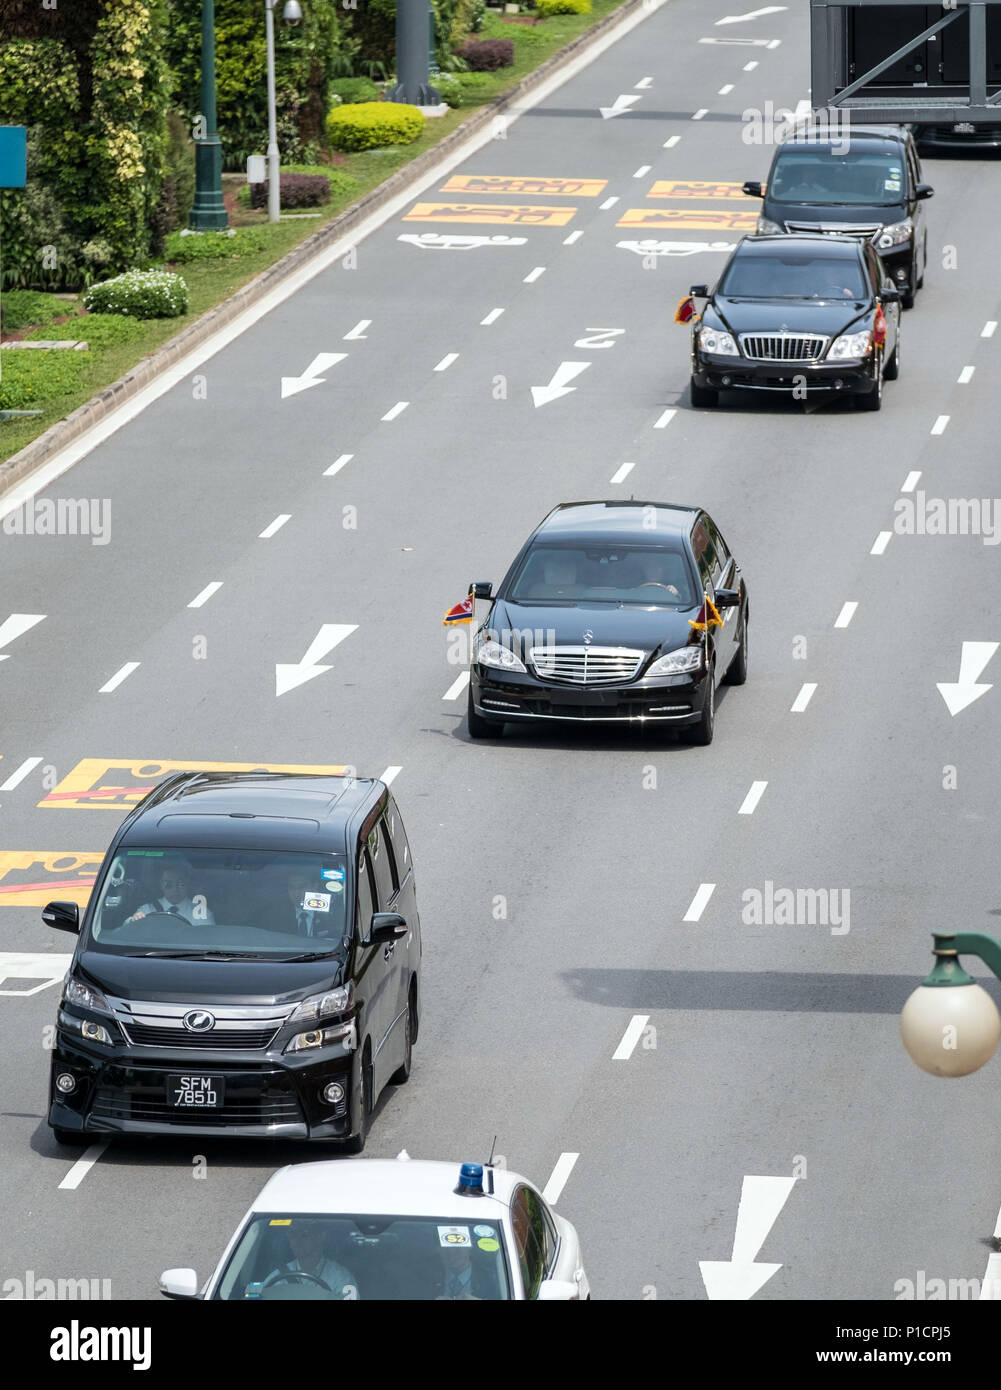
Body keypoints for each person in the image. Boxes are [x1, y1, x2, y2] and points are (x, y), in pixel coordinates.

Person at [264, 1221, 357, 1298]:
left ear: (321, 1237)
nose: (297, 1240)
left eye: (304, 1234)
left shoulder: (340, 1279)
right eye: (292, 1234)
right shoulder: (278, 1277)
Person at [126, 861, 215, 925]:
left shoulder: (201, 914)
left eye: (180, 883)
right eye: (168, 884)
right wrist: (133, 920)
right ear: (160, 885)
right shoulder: (147, 910)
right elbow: (126, 931)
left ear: (188, 883)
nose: (175, 889)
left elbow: (208, 940)